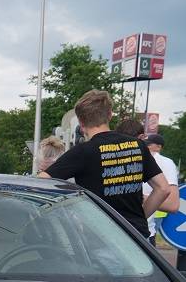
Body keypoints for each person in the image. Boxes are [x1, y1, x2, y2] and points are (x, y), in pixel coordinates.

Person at [40, 89, 177, 238]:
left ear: (80, 122)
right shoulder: (137, 145)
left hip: (100, 238)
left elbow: (41, 181)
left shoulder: (83, 151)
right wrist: (139, 218)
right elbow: (163, 189)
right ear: (110, 115)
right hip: (136, 238)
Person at [143, 134, 180, 247]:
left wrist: (139, 197)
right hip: (147, 222)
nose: (147, 145)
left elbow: (172, 204)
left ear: (159, 147)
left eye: (149, 144)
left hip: (154, 218)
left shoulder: (165, 162)